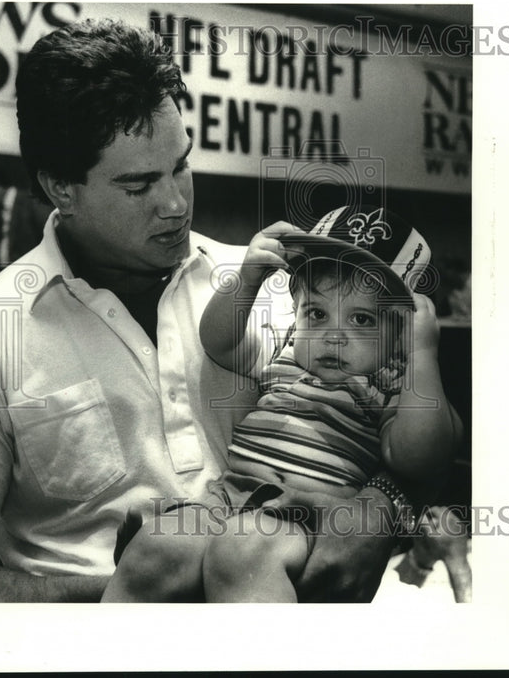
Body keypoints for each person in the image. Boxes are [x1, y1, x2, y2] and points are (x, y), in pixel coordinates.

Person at [0, 18, 427, 603]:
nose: (175, 203)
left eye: (181, 166)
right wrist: (146, 590)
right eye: (138, 186)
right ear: (62, 188)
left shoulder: (282, 286)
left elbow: (405, 428)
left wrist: (383, 509)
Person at [103, 205, 462, 602]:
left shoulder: (390, 380)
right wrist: (246, 281)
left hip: (312, 518)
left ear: (401, 333)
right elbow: (219, 341)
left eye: (362, 320)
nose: (333, 336)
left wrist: (423, 354)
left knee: (244, 555)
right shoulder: (285, 348)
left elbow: (420, 457)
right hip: (229, 496)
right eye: (317, 313)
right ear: (297, 312)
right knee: (156, 547)